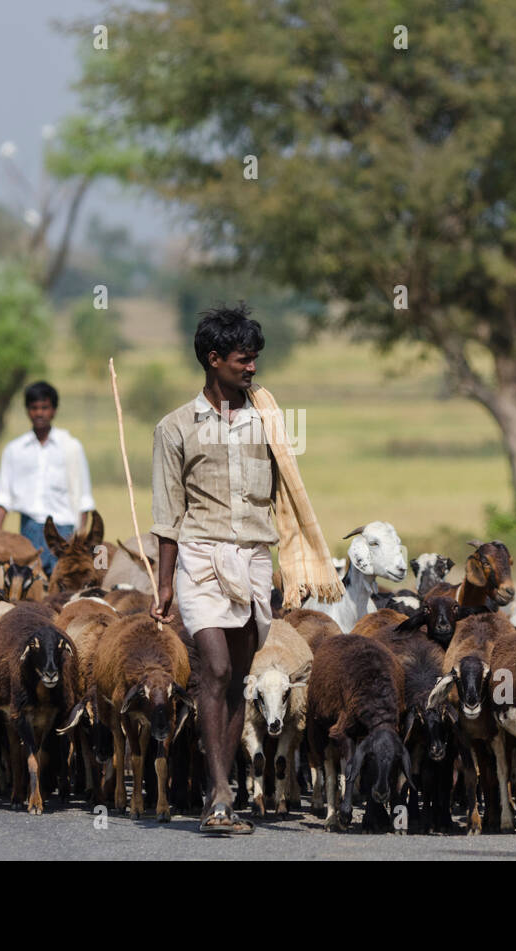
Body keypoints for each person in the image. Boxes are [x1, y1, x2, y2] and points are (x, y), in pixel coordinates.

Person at [150, 302, 343, 834]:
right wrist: (163, 585)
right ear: (213, 360)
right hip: (200, 559)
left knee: (237, 679)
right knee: (211, 668)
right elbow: (168, 516)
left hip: (256, 560)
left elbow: (288, 497)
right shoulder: (174, 429)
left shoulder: (269, 421)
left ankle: (223, 787)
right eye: (243, 359)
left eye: (255, 358)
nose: (252, 368)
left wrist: (291, 566)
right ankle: (218, 792)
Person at [0, 381, 95, 576]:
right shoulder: (15, 450)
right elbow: (2, 497)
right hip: (29, 529)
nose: (39, 413)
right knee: (29, 588)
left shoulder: (71, 447)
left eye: (45, 407)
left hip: (64, 530)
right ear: (27, 411)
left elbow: (84, 499)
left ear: (54, 410)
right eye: (34, 408)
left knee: (63, 587)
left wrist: (79, 542)